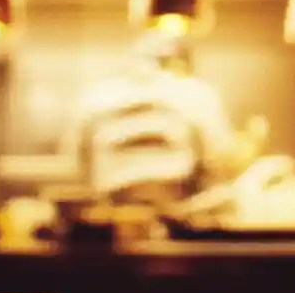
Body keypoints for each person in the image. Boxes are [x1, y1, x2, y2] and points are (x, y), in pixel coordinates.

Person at [60, 30, 267, 205]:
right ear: (179, 62)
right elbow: (221, 160)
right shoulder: (195, 92)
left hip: (112, 219)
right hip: (179, 213)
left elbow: (73, 165)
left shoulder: (95, 95)